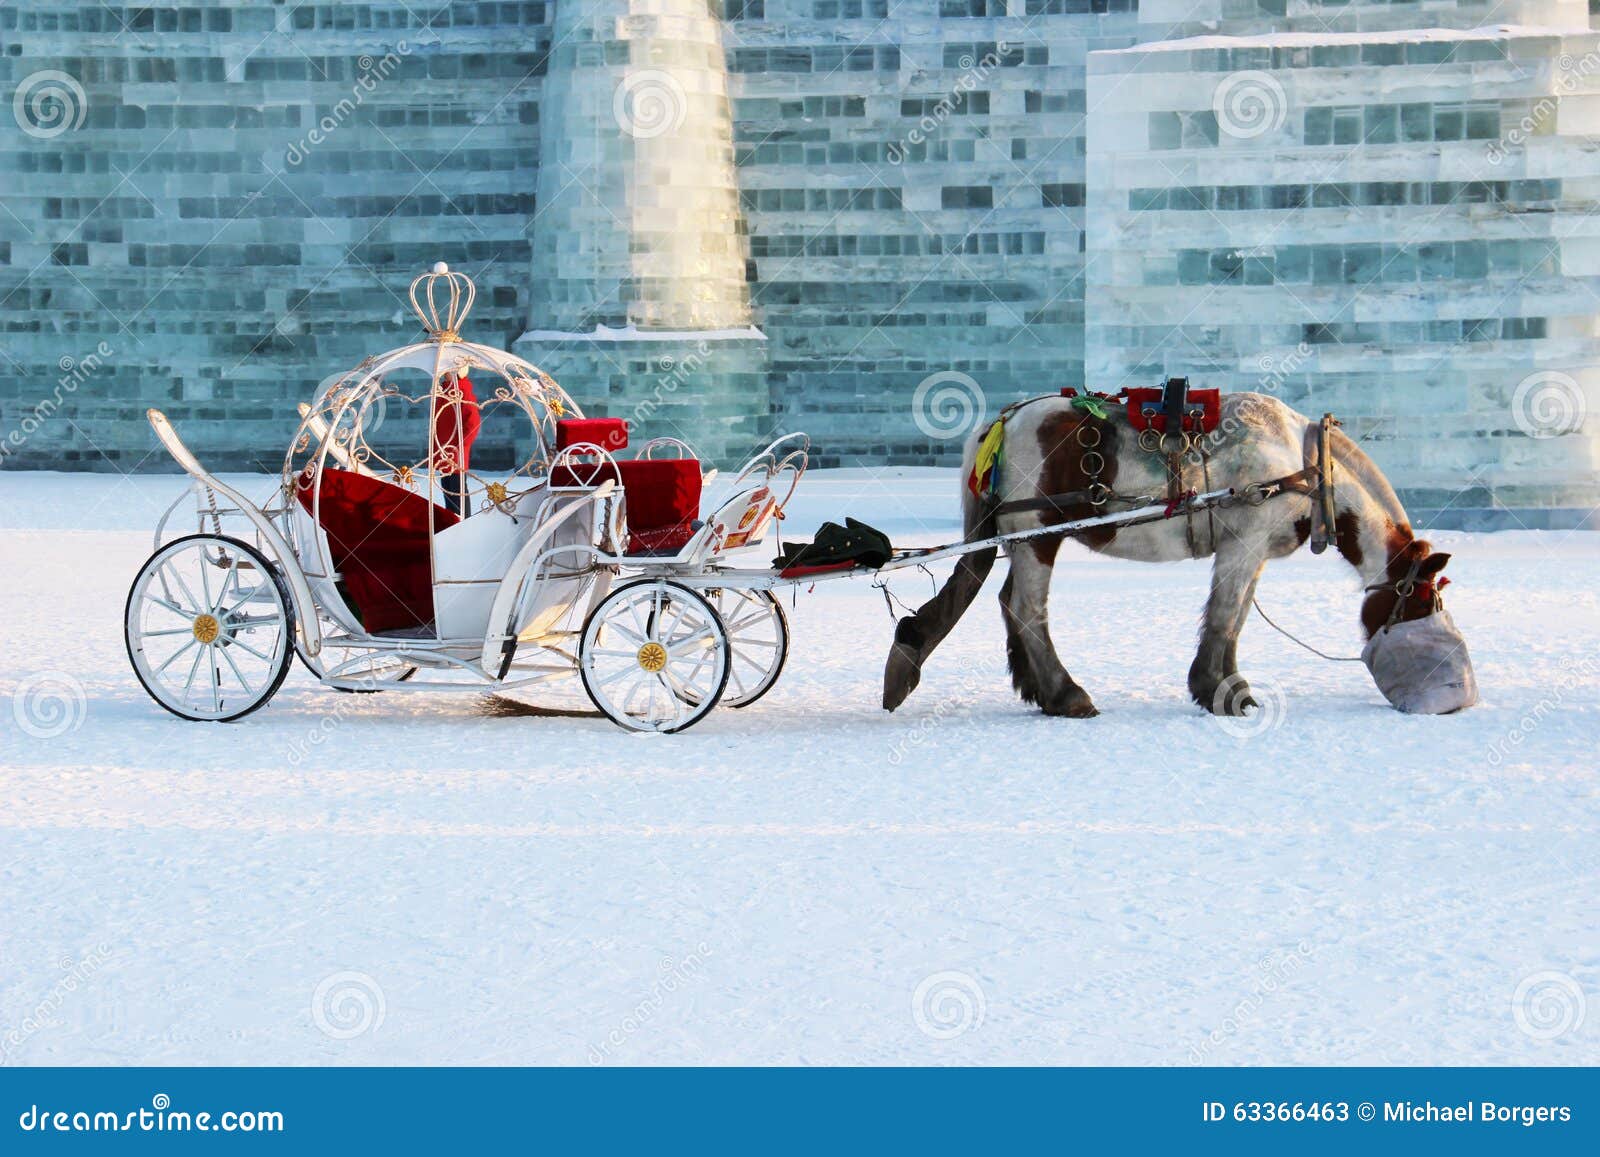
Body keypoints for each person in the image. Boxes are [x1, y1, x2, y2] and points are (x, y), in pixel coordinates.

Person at [430, 370, 481, 516]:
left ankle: (462, 524)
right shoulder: (446, 389)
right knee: (449, 492)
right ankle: (453, 522)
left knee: (457, 492)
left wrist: (461, 446)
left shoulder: (461, 390)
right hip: (444, 451)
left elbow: (473, 422)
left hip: (454, 452)